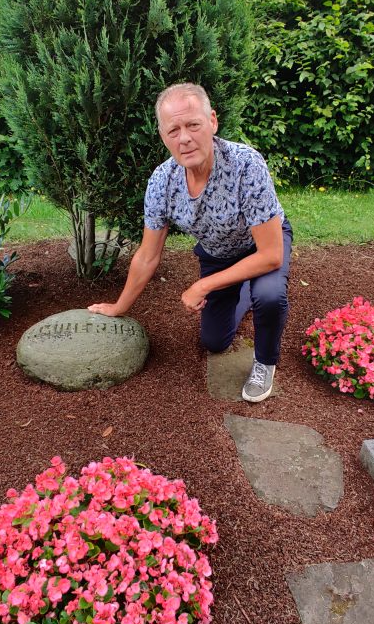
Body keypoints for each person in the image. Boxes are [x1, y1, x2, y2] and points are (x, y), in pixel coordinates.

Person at [88, 82, 293, 403]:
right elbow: (147, 256)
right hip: (218, 254)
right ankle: (244, 292)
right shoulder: (161, 182)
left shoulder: (246, 165)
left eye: (193, 125)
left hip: (260, 247)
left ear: (212, 121)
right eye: (173, 130)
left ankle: (265, 362)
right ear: (163, 136)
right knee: (214, 342)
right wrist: (119, 307)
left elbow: (270, 256)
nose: (184, 138)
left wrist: (203, 285)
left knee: (268, 295)